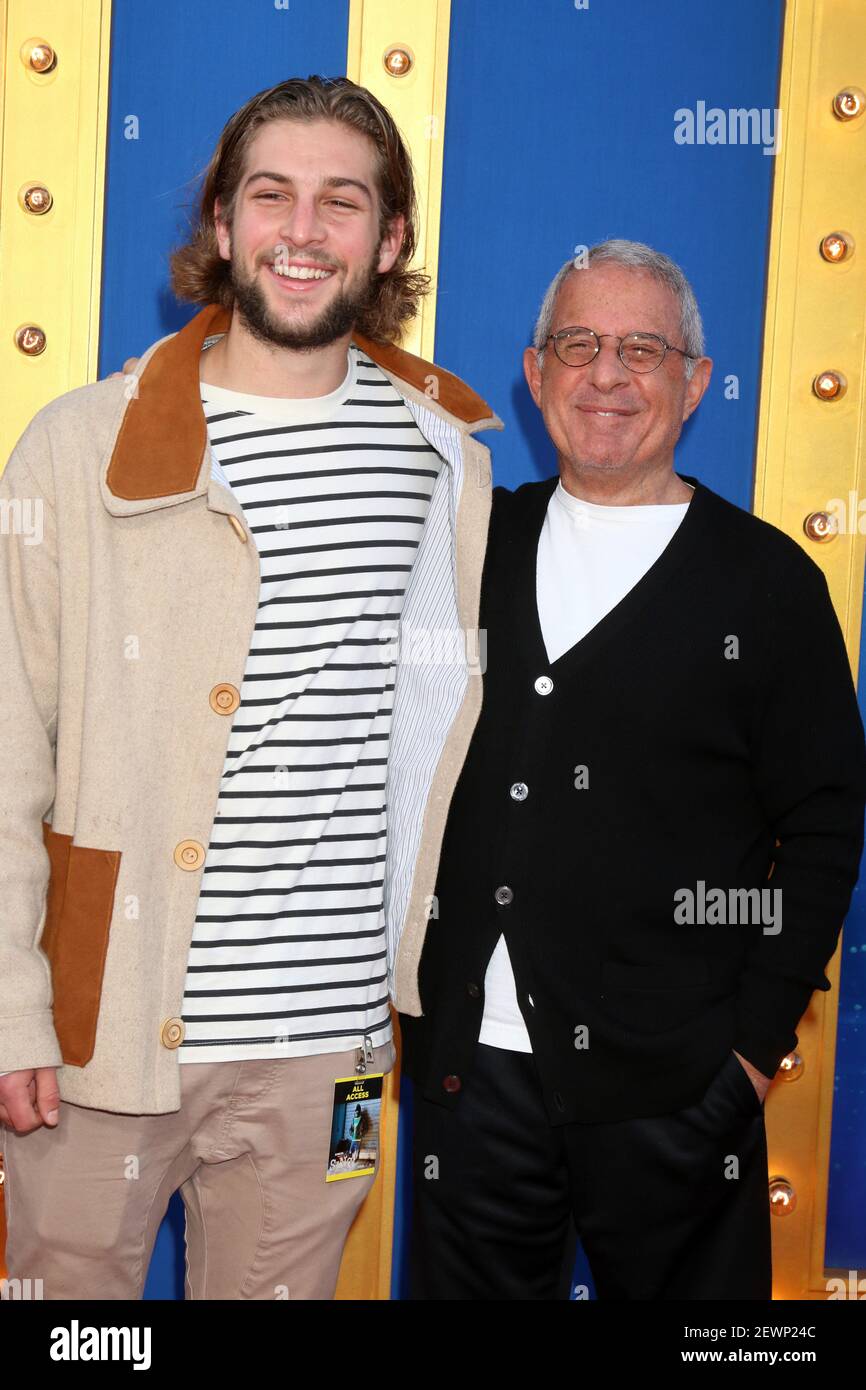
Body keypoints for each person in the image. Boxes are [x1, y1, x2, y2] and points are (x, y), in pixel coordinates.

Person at [0, 75, 501, 1301]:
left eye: (343, 202)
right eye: (269, 194)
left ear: (388, 242)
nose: (302, 229)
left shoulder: (436, 454)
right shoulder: (77, 443)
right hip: (100, 1034)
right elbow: (8, 740)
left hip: (326, 1051)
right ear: (221, 222)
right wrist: (13, 1005)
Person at [396, 239, 866, 1300]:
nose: (605, 375)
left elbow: (825, 823)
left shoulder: (765, 584)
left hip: (678, 1090)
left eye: (640, 349)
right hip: (472, 1086)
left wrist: (745, 1055)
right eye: (577, 344)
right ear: (533, 371)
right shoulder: (469, 548)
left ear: (694, 382)